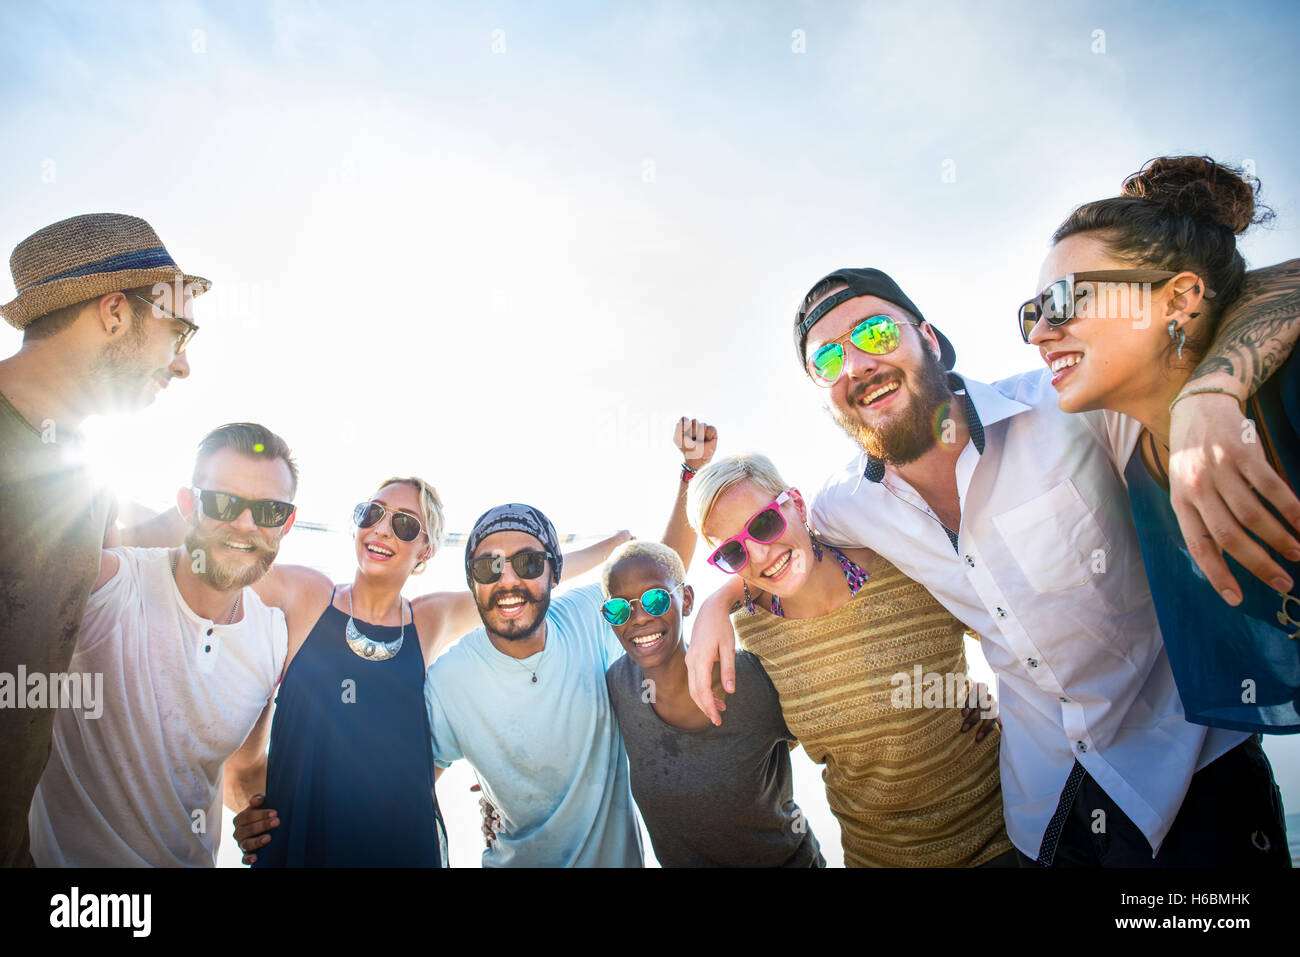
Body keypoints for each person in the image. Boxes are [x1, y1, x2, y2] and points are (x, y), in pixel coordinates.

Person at [688, 254, 1299, 867]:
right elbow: (774, 550)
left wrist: (1213, 391)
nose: (855, 364)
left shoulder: (1067, 410)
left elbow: (1267, 286)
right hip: (1050, 813)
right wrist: (719, 600)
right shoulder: (846, 506)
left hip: (1196, 772)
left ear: (928, 337)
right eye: (826, 360)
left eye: (874, 333)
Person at [1023, 156, 1299, 734]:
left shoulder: (1289, 395)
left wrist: (1213, 388)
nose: (1041, 332)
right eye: (1032, 314)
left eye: (1063, 301)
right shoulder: (1132, 476)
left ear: (1177, 300)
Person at [234, 475, 630, 867]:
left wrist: (615, 546)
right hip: (298, 844)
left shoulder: (428, 619)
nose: (382, 530)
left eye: (404, 524)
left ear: (426, 550)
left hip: (401, 846)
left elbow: (520, 579)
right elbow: (214, 575)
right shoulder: (306, 593)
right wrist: (244, 801)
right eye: (373, 513)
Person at [0, 212, 209, 867]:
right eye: (178, 330)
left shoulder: (79, 472)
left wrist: (223, 525)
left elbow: (94, 547)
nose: (183, 365)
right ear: (115, 312)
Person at [684, 453, 1010, 867]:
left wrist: (1007, 703)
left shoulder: (901, 557)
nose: (760, 556)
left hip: (1003, 840)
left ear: (797, 505)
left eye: (764, 524)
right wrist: (716, 602)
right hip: (876, 859)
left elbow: (1020, 638)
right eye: (733, 552)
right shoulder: (749, 634)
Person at [424, 418, 713, 866]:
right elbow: (408, 788)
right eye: (487, 567)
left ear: (554, 572)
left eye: (527, 562)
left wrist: (692, 472)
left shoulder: (587, 617)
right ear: (472, 582)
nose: (508, 581)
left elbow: (660, 573)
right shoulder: (449, 680)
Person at [27, 423, 298, 866]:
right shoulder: (108, 589)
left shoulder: (273, 639)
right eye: (224, 503)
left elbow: (241, 769)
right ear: (188, 505)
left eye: (269, 511)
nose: (246, 525)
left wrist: (263, 819)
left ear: (286, 522)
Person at [603, 538, 826, 867]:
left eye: (654, 599)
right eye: (619, 608)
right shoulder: (619, 687)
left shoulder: (748, 679)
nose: (637, 618)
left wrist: (724, 599)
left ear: (687, 599)